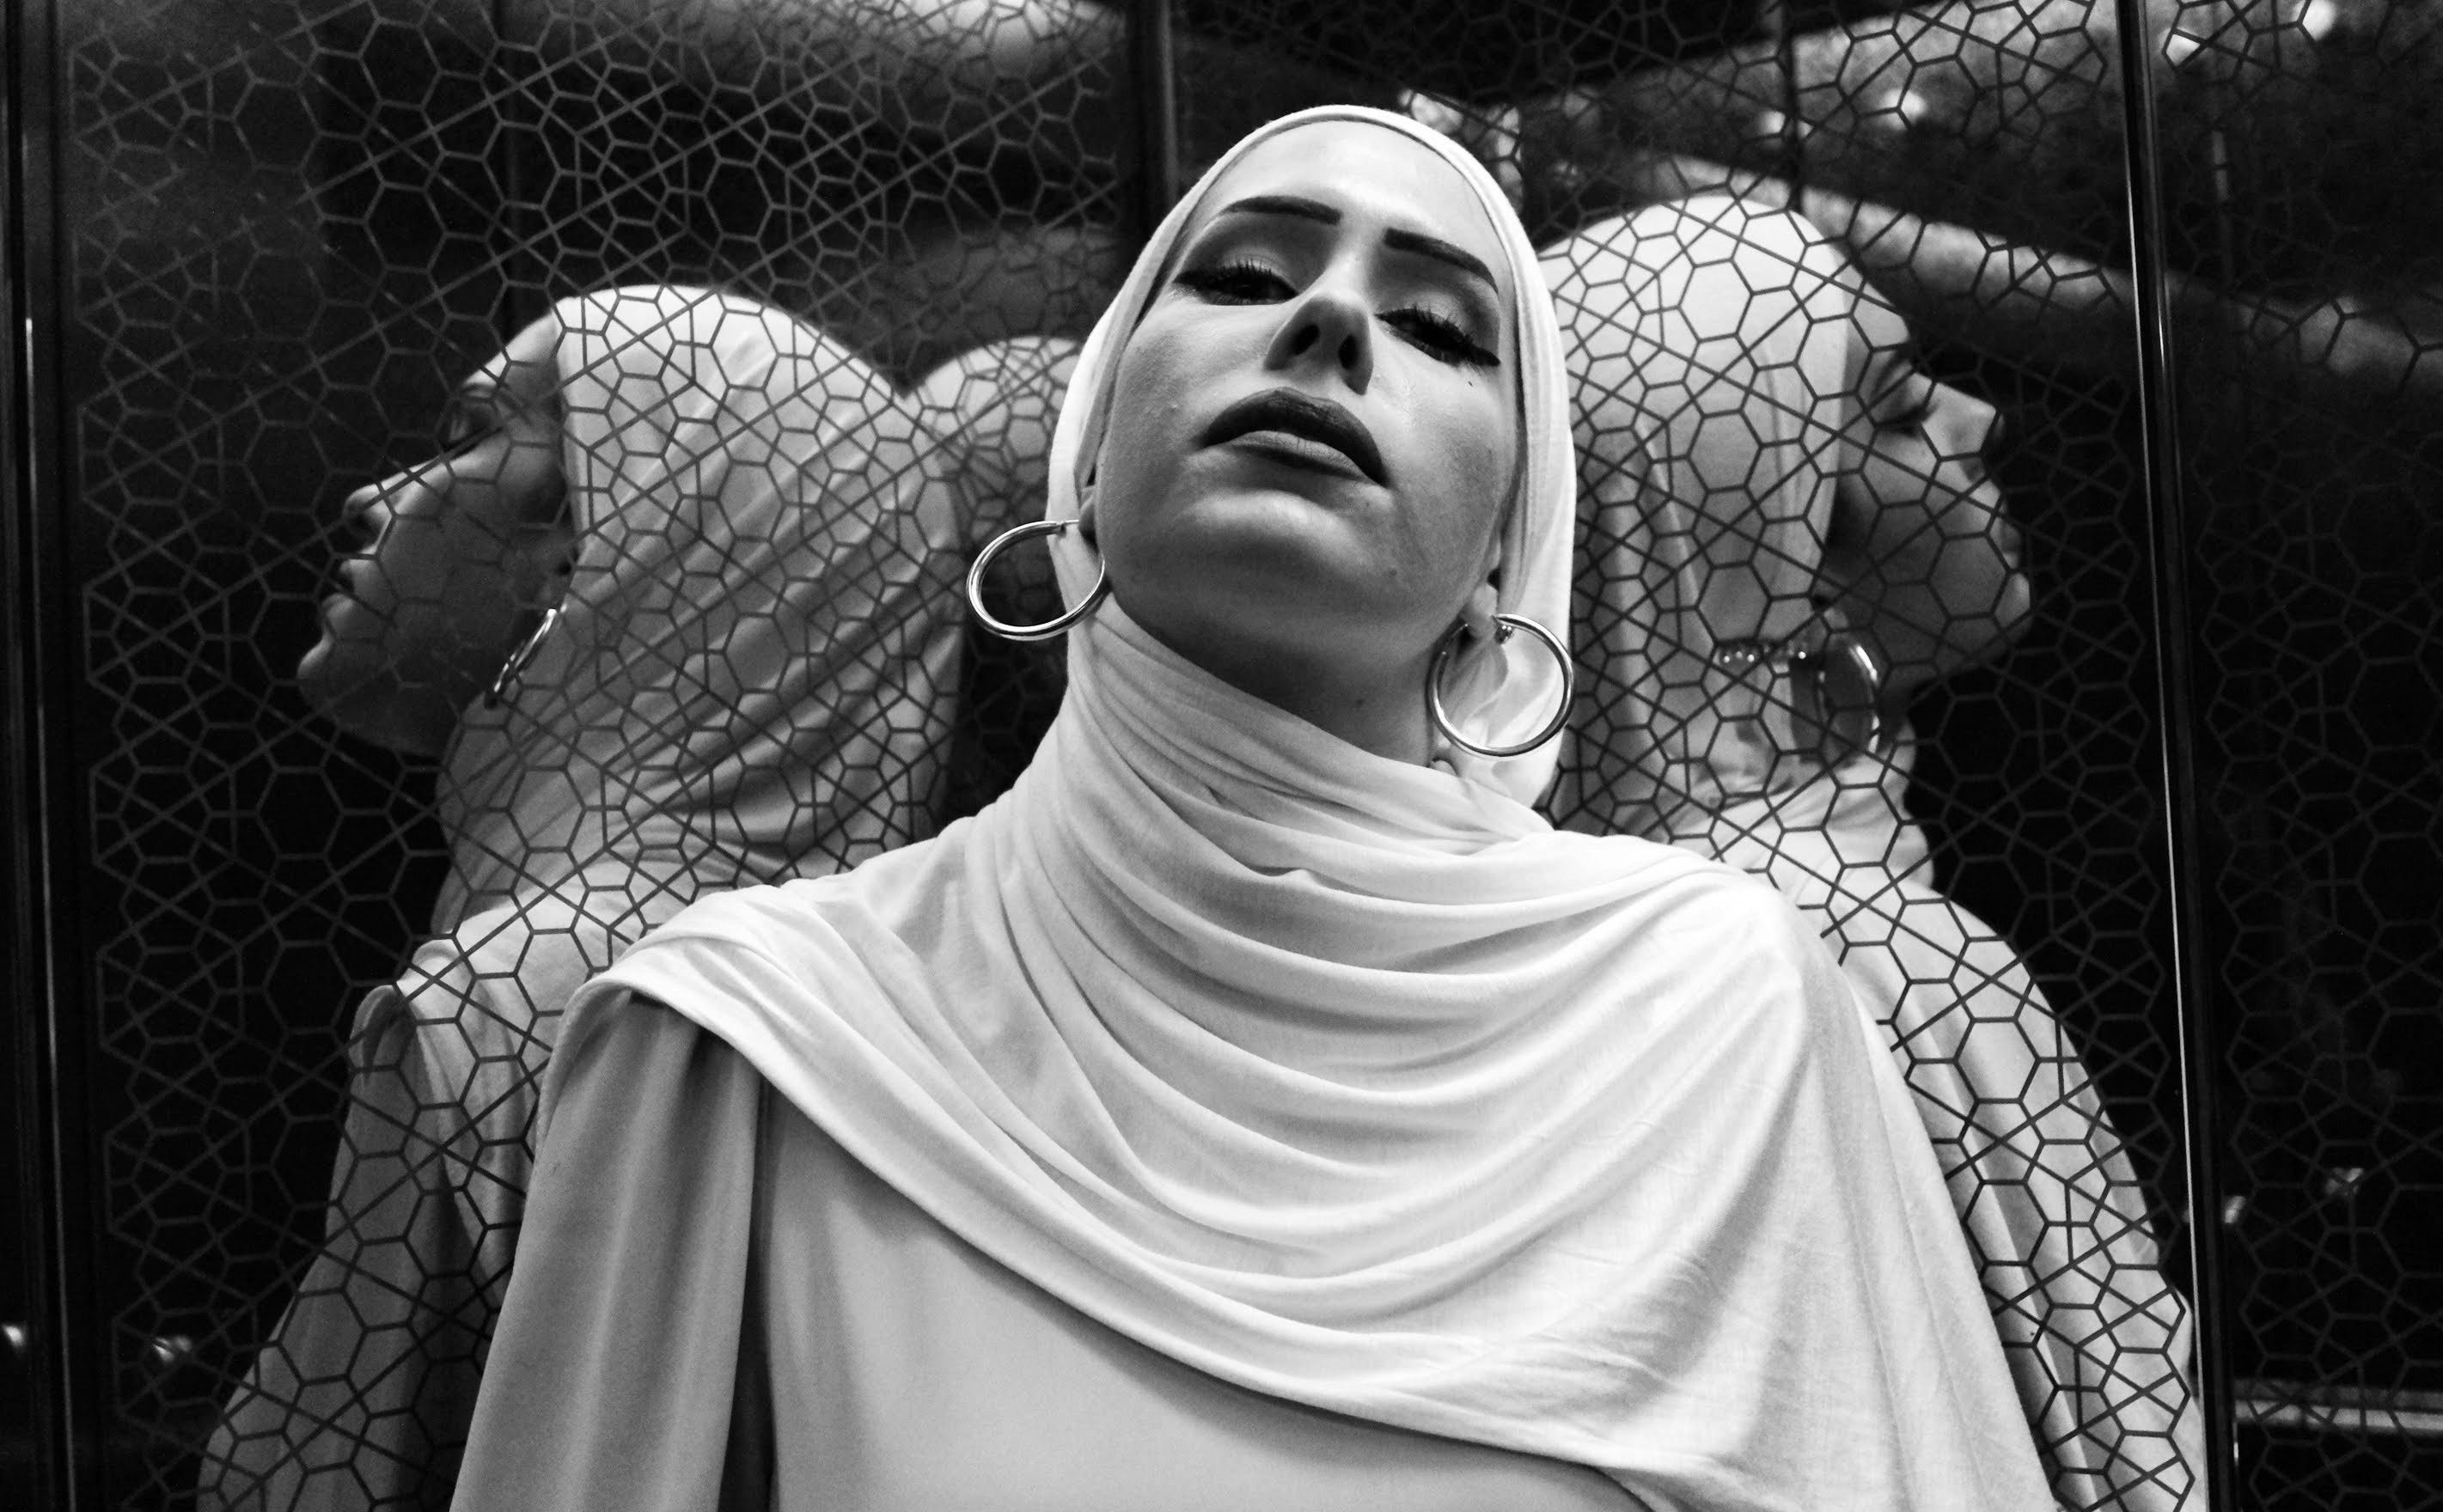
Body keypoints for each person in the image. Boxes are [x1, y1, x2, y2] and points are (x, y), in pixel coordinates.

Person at [447, 106, 2053, 1511]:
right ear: (1086, 464)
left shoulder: (1728, 1016)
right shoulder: (746, 1044)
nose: (1332, 324)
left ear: (1508, 548)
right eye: (1240, 278)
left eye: (1436, 324)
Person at [205, 285, 1036, 1509]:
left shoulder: (507, 1006)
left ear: (604, 552)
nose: (376, 496)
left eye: (476, 432)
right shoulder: (964, 1004)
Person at [1542, 193, 2205, 1512]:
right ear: (1779, 530)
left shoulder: (1589, 940)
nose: (1978, 419)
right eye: (1898, 405)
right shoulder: (1880, 973)